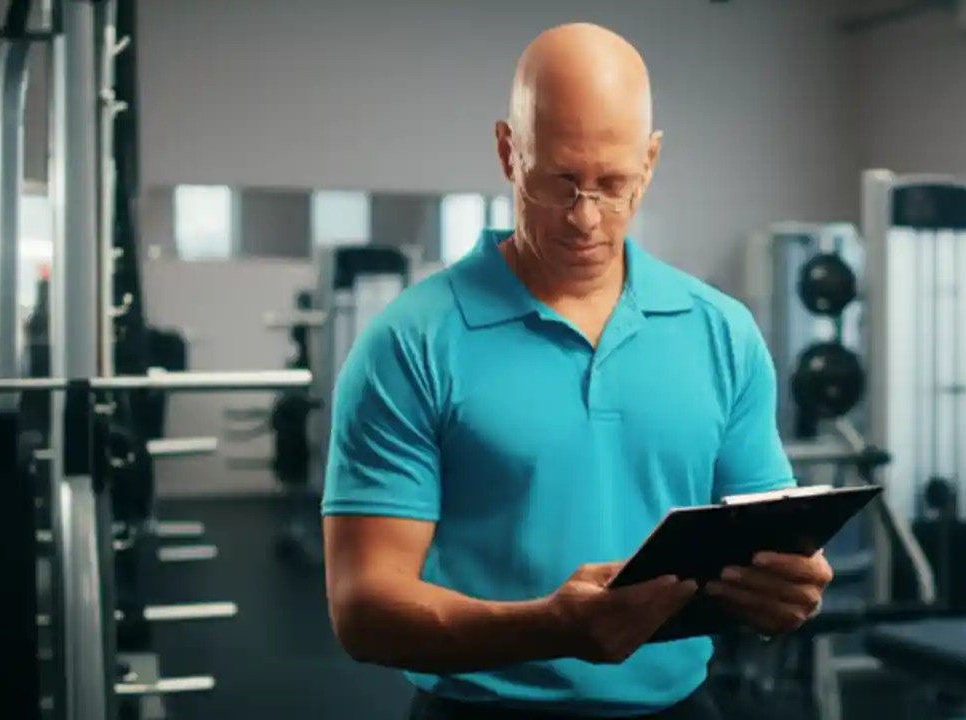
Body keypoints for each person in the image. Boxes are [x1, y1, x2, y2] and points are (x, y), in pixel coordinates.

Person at [321, 22, 833, 720]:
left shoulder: (722, 331)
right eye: (560, 181)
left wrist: (788, 592)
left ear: (650, 162)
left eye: (614, 184)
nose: (585, 217)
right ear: (509, 151)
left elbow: (767, 545)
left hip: (679, 706)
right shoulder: (409, 341)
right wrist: (550, 628)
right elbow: (363, 610)